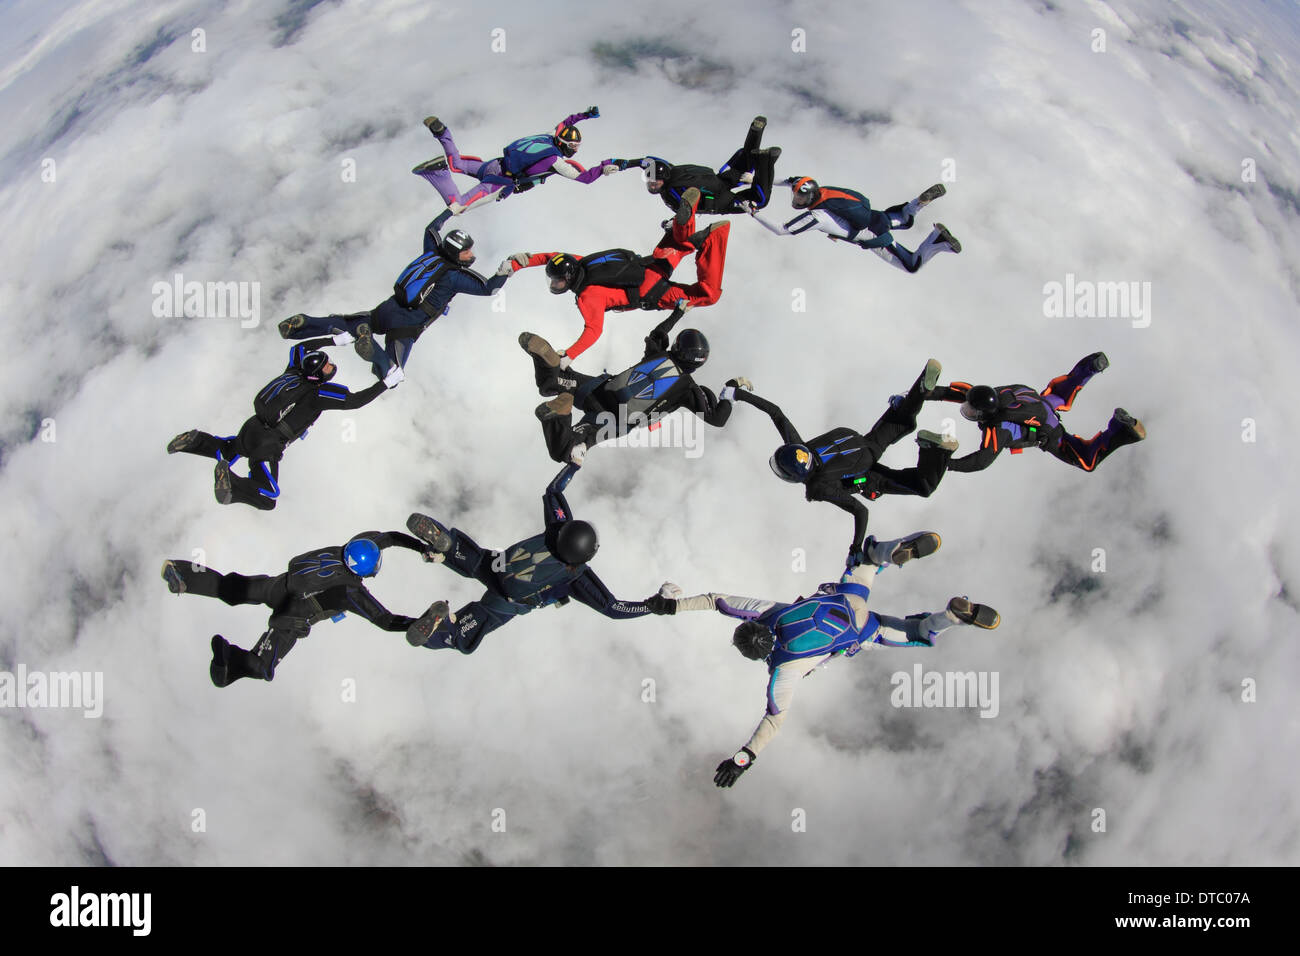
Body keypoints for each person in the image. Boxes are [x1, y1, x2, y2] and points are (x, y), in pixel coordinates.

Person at [644, 533, 1000, 787]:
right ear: (752, 626)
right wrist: (672, 605)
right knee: (866, 560)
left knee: (919, 632)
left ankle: (953, 618)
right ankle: (890, 553)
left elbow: (774, 720)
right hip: (846, 598)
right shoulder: (769, 613)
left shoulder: (785, 669)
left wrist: (743, 759)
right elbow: (717, 600)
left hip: (864, 631)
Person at [404, 463, 671, 653]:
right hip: (511, 599)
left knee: (472, 560)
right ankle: (446, 630)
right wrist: (654, 604)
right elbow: (613, 608)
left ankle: (449, 547)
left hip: (498, 567)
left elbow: (553, 491)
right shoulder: (576, 576)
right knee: (469, 633)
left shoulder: (558, 527)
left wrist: (574, 464)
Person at [731, 358, 958, 564]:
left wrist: (855, 548)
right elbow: (777, 413)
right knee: (901, 420)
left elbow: (861, 511)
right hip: (868, 442)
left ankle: (935, 450)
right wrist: (739, 395)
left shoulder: (817, 487)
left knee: (923, 486)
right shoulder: (803, 447)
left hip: (868, 477)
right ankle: (919, 391)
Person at [160, 530, 428, 687]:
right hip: (293, 615)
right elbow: (385, 620)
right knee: (263, 667)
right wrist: (423, 622)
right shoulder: (351, 591)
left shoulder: (350, 547)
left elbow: (389, 537)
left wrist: (421, 547)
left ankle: (183, 574)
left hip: (280, 586)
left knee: (231, 589)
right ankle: (228, 662)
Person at [278, 215, 515, 382]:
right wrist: (507, 269)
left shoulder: (431, 252)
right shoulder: (455, 276)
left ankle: (303, 325)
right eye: (467, 251)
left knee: (347, 324)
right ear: (455, 253)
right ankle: (373, 351)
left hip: (387, 309)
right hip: (407, 326)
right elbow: (489, 289)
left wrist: (451, 211)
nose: (471, 255)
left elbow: (430, 229)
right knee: (391, 374)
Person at [506, 186, 730, 360]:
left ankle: (715, 237)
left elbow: (593, 331)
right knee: (681, 244)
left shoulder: (587, 296)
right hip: (648, 265)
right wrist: (521, 263)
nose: (554, 286)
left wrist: (570, 355)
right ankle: (691, 229)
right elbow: (551, 257)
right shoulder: (579, 262)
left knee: (708, 295)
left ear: (568, 279)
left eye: (556, 282)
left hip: (651, 291)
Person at [167, 342, 393, 510]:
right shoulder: (318, 393)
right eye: (325, 368)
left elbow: (299, 348)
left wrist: (334, 339)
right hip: (268, 444)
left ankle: (195, 441)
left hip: (252, 427)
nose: (331, 368)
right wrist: (385, 383)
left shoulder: (294, 371)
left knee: (228, 450)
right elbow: (354, 401)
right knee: (268, 497)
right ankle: (232, 485)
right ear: (316, 375)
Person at [519, 313, 749, 464]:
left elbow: (657, 334)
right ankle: (557, 419)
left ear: (678, 346)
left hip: (600, 388)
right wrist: (730, 391)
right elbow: (717, 419)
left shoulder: (659, 354)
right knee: (566, 449)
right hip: (614, 418)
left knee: (554, 382)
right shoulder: (688, 389)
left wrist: (678, 313)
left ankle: (551, 372)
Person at [930, 352, 1146, 473]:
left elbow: (981, 461)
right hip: (1044, 401)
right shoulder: (991, 395)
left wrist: (946, 464)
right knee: (1067, 387)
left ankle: (1123, 430)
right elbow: (958, 392)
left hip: (1049, 431)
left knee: (1086, 460)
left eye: (972, 411)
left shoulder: (998, 429)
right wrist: (924, 392)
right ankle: (1092, 365)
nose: (968, 410)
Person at [411, 109, 620, 214]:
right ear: (565, 144)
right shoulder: (556, 161)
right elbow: (584, 177)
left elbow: (565, 122)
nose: (575, 150)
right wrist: (604, 167)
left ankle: (443, 133)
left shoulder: (549, 137)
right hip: (500, 182)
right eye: (574, 146)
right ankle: (437, 172)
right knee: (458, 207)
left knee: (457, 164)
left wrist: (585, 115)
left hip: (495, 164)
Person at [748, 176, 958, 274]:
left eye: (800, 199)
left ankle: (937, 241)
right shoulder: (823, 191)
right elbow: (790, 181)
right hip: (873, 217)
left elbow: (781, 229)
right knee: (904, 220)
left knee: (912, 265)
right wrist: (755, 179)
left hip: (873, 236)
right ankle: (918, 203)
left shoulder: (817, 215)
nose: (796, 201)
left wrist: (753, 212)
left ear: (810, 198)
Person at [625, 115, 782, 214]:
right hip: (719, 179)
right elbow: (648, 160)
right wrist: (622, 164)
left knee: (760, 201)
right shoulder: (670, 167)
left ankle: (766, 159)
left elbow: (686, 213)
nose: (652, 186)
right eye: (650, 183)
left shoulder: (671, 193)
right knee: (747, 162)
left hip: (719, 200)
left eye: (655, 182)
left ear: (664, 178)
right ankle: (756, 135)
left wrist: (673, 226)